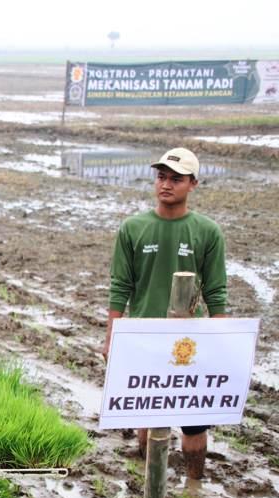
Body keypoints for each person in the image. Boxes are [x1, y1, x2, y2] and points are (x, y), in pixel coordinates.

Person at [103, 147, 227, 480]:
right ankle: (150, 483)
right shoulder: (133, 228)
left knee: (194, 421)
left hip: (190, 342)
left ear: (193, 184)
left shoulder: (207, 231)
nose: (166, 184)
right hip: (146, 338)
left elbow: (216, 291)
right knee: (148, 417)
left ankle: (194, 484)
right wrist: (111, 337)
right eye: (161, 177)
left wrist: (222, 341)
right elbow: (120, 286)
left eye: (176, 179)